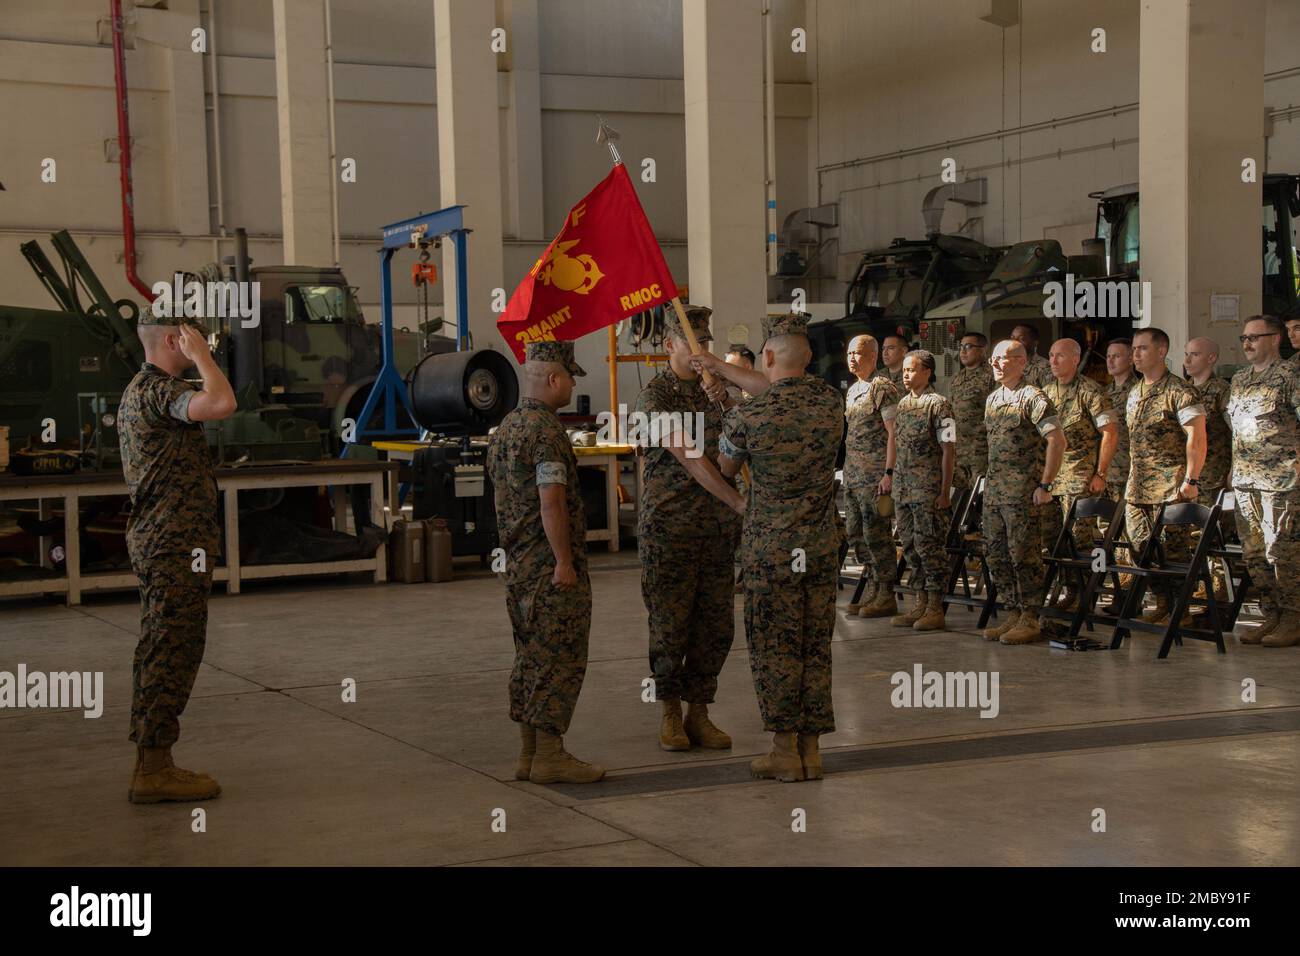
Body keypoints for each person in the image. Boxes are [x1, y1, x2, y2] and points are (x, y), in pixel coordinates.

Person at [694, 313, 843, 783]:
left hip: (770, 552)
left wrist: (724, 407)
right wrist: (718, 367)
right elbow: (777, 388)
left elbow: (726, 469)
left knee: (775, 648)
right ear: (810, 358)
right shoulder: (830, 401)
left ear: (770, 355)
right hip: (820, 548)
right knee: (814, 647)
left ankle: (783, 751)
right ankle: (811, 751)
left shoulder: (747, 417)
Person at [118, 314, 236, 803]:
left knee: (164, 644)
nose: (199, 345)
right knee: (170, 648)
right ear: (173, 340)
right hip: (171, 542)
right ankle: (153, 767)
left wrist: (201, 360)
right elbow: (223, 403)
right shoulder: (159, 393)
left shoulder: (145, 390)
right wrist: (204, 358)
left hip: (165, 540)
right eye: (190, 337)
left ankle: (154, 759)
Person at [486, 340, 603, 784]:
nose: (573, 383)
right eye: (570, 376)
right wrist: (563, 562)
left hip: (518, 565)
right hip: (547, 567)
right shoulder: (548, 432)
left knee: (530, 655)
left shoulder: (507, 428)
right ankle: (551, 755)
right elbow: (550, 499)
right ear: (554, 379)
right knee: (560, 655)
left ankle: (529, 753)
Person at [635, 306, 745, 752]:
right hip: (671, 529)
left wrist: (725, 396)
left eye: (706, 343)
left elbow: (743, 437)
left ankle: (700, 712)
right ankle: (669, 713)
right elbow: (690, 457)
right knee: (670, 626)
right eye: (692, 343)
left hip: (717, 532)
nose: (701, 352)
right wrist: (738, 501)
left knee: (715, 626)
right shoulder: (654, 398)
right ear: (668, 346)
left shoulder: (713, 393)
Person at [981, 340, 1065, 645]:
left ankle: (1031, 616)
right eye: (994, 359)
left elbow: (1057, 440)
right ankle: (1013, 612)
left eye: (1004, 359)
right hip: (995, 492)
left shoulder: (1034, 397)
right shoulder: (993, 399)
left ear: (1022, 362)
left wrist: (1045, 485)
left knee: (1023, 556)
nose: (997, 364)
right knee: (996, 555)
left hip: (1023, 494)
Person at [1125, 327, 1207, 624]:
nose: (1136, 354)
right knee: (1141, 549)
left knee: (1173, 551)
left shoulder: (1179, 391)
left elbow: (1197, 436)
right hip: (1137, 488)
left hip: (1170, 487)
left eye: (1143, 348)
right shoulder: (1135, 391)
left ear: (1161, 351)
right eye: (1134, 348)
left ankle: (1179, 608)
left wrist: (1191, 479)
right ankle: (1161, 602)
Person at [1227, 315, 1300, 647]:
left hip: (1282, 480)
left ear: (1276, 339)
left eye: (1255, 337)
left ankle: (1294, 618)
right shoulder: (1240, 378)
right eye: (1244, 338)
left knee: (1281, 551)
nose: (1247, 343)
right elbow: (1236, 429)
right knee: (1254, 554)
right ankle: (1270, 615)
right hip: (1245, 480)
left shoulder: (1290, 375)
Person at [1042, 337, 1119, 609]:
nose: (1053, 361)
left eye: (1059, 355)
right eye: (1050, 355)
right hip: (1051, 479)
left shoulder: (1091, 391)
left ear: (1075, 359)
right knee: (1053, 539)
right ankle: (1065, 588)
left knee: (1079, 540)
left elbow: (1109, 432)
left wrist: (1101, 473)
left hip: (1079, 477)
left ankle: (1083, 592)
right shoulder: (1046, 392)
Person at [890, 351, 955, 632]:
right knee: (911, 547)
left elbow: (949, 450)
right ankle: (920, 600)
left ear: (927, 372)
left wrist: (944, 491)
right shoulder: (903, 404)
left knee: (930, 548)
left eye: (911, 370)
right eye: (904, 370)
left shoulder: (940, 405)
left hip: (927, 490)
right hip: (904, 490)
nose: (905, 375)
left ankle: (935, 607)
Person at [842, 334, 900, 618]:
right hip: (853, 476)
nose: (853, 358)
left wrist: (888, 473)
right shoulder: (853, 390)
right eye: (850, 353)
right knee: (855, 533)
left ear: (874, 356)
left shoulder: (883, 388)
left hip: (876, 477)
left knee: (877, 533)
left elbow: (894, 434)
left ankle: (886, 592)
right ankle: (873, 587)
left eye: (859, 353)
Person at [1184, 336, 1234, 595]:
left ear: (1211, 358)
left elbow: (1235, 430)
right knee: (1187, 536)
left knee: (1209, 537)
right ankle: (1196, 590)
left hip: (1213, 474)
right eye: (1186, 354)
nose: (1187, 360)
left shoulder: (1221, 391)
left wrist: (1233, 468)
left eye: (1194, 354)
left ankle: (1216, 595)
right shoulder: (1183, 389)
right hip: (1186, 475)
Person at [948, 331, 994, 494]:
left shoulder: (992, 377)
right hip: (958, 453)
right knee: (959, 504)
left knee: (981, 501)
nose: (963, 351)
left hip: (981, 454)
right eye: (961, 347)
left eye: (968, 346)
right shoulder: (956, 379)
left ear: (982, 350)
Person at [1104, 338, 1138, 505]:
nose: (1110, 360)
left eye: (1116, 356)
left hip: (1128, 469)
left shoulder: (1138, 391)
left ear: (1131, 359)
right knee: (1106, 525)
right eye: (1108, 356)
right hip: (1106, 470)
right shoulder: (1103, 393)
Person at [1010, 324, 1053, 389]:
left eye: (1021, 339)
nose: (1014, 342)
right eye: (1012, 338)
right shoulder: (1006, 364)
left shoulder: (1044, 367)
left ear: (1035, 343)